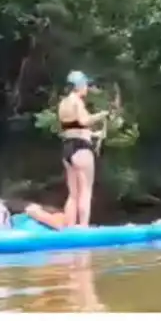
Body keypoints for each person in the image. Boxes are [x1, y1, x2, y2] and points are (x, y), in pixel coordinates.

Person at [57, 70, 108, 227]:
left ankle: (70, 227)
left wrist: (93, 134)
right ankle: (83, 227)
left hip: (68, 149)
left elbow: (73, 127)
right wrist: (102, 115)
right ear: (79, 85)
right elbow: (84, 121)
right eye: (85, 84)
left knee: (73, 194)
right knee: (85, 191)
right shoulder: (77, 102)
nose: (87, 87)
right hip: (81, 150)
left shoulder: (63, 103)